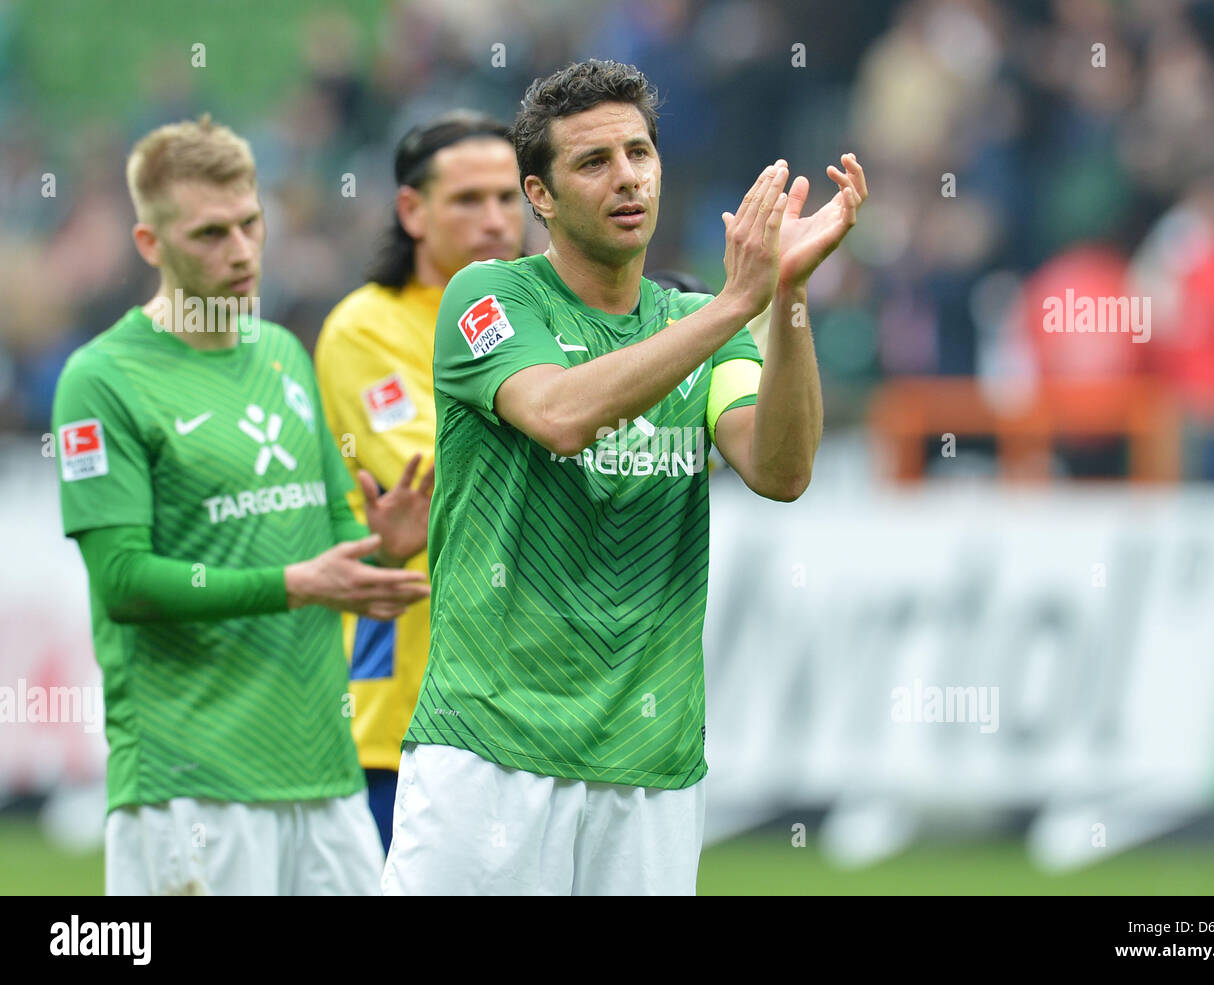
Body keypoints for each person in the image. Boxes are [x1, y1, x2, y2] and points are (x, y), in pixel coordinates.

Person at [381, 59, 866, 896]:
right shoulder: (490, 298)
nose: (627, 178)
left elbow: (780, 469)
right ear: (539, 195)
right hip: (490, 750)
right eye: (593, 162)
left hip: (651, 762)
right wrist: (732, 305)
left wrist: (786, 296)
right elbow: (562, 417)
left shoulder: (699, 324)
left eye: (639, 154)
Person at [51, 114, 435, 896]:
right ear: (151, 246)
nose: (241, 251)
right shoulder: (101, 379)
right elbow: (123, 582)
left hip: (326, 777)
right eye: (210, 234)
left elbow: (335, 553)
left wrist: (386, 548)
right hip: (191, 785)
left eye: (251, 223)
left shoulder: (285, 355)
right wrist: (295, 584)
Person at [314, 111, 525, 853]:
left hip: (520, 705)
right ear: (412, 210)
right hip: (401, 704)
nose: (496, 220)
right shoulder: (364, 327)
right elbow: (436, 476)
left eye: (509, 197)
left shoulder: (534, 317)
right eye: (469, 200)